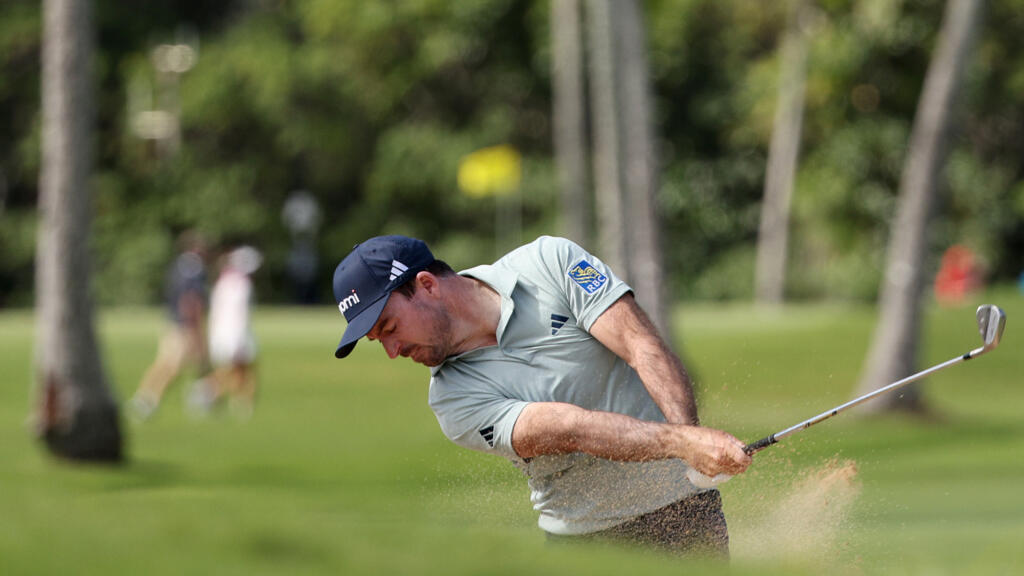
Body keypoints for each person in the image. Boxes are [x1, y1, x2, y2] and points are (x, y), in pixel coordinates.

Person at [330, 235, 751, 556]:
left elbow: (640, 344)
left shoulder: (551, 261)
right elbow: (571, 429)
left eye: (388, 327)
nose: (390, 350)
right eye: (375, 340)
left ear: (426, 285)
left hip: (688, 516)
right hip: (588, 546)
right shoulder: (451, 400)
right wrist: (684, 443)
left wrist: (690, 440)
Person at [130, 231, 211, 421]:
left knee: (172, 363)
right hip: (185, 324)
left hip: (174, 322)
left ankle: (146, 398)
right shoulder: (194, 268)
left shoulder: (179, 265)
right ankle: (147, 400)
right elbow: (190, 300)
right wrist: (195, 327)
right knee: (177, 364)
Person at [189, 245, 263, 419]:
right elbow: (240, 314)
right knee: (236, 371)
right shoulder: (241, 284)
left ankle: (240, 404)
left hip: (221, 332)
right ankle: (207, 392)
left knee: (238, 370)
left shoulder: (223, 282)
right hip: (236, 334)